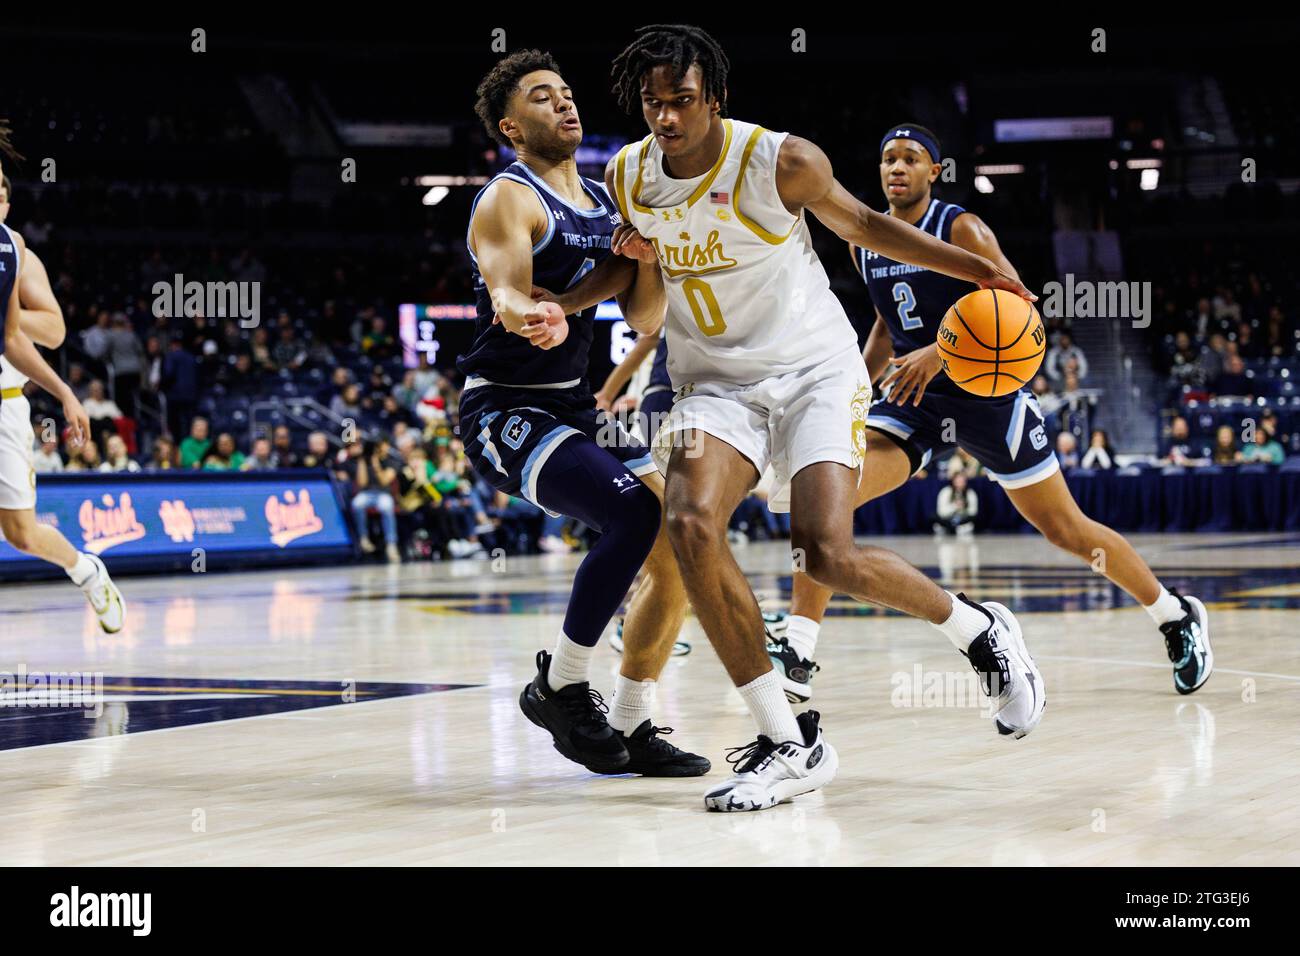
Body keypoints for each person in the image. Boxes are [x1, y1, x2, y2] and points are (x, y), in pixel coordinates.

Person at [607, 27, 1044, 811]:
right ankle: (787, 742)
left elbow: (869, 229)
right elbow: (644, 308)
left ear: (715, 99)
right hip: (712, 383)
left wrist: (986, 271)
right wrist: (640, 262)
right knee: (690, 523)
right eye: (652, 104)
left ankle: (978, 631)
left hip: (814, 369)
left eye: (681, 102)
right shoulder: (628, 175)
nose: (666, 119)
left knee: (826, 552)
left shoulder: (782, 160)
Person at [776, 121, 1211, 711]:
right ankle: (799, 646)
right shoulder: (863, 238)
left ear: (935, 171)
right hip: (915, 403)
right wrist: (852, 378)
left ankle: (1173, 613)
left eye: (910, 159)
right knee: (833, 496)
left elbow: (1015, 298)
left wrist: (937, 350)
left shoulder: (960, 227)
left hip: (988, 397)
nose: (896, 168)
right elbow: (884, 320)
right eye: (888, 159)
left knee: (1066, 529)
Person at [465, 50, 707, 777]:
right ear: (513, 126)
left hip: (575, 406)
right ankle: (563, 685)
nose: (565, 105)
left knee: (683, 546)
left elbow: (645, 317)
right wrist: (526, 312)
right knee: (635, 515)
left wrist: (650, 260)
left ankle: (632, 722)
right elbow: (504, 288)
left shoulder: (605, 202)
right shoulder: (509, 198)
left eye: (567, 93)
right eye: (543, 98)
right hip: (504, 408)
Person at [0, 141, 121, 633]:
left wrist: (65, 393)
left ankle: (87, 570)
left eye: (2, 194)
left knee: (22, 534)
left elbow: (51, 331)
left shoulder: (14, 252)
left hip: (6, 403)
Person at [349, 438, 400, 563]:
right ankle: (363, 538)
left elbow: (384, 481)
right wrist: (362, 460)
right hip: (367, 493)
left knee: (386, 506)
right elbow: (361, 483)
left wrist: (376, 463)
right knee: (357, 503)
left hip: (383, 493)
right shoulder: (364, 461)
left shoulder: (391, 461)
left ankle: (391, 543)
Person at [934, 472, 978, 536]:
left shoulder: (970, 493)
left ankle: (955, 529)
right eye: (958, 481)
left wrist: (963, 508)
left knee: (973, 520)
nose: (960, 483)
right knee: (934, 518)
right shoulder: (946, 491)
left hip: (963, 519)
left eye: (962, 481)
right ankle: (949, 528)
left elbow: (973, 512)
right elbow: (941, 512)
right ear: (953, 481)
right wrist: (954, 506)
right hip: (947, 519)